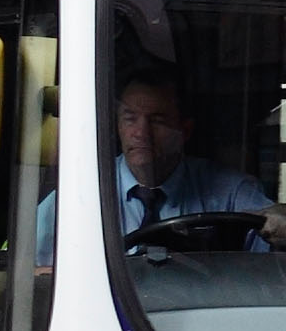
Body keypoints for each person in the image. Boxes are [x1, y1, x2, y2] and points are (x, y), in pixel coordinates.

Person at [107, 70, 272, 242]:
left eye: (157, 121)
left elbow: (275, 224)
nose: (141, 133)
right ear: (118, 126)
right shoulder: (88, 187)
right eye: (130, 119)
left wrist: (284, 217)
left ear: (185, 131)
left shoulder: (229, 191)